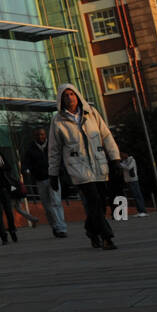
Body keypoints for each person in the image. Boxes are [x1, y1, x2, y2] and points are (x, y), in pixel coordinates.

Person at [48, 84, 119, 250]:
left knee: (101, 203)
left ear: (77, 95)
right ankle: (107, 237)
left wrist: (114, 157)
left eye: (72, 94)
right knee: (93, 200)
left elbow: (106, 135)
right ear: (61, 99)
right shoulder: (58, 121)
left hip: (98, 165)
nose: (69, 98)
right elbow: (54, 149)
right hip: (78, 168)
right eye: (65, 95)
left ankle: (90, 229)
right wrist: (53, 173)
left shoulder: (92, 113)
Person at [22, 125, 67, 237]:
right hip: (40, 180)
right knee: (47, 206)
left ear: (45, 134)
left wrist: (60, 171)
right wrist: (26, 171)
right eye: (37, 135)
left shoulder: (52, 146)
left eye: (42, 134)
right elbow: (25, 164)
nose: (40, 136)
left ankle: (61, 228)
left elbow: (60, 159)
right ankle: (54, 226)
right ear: (34, 136)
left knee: (56, 203)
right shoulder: (30, 149)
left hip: (53, 178)